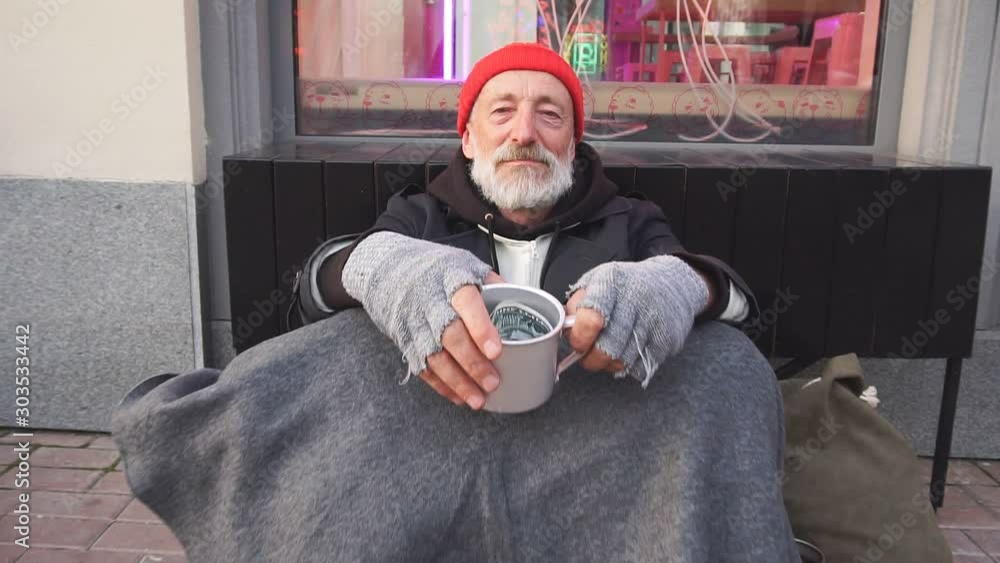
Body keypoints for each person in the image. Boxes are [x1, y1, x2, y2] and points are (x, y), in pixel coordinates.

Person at [112, 43, 800, 563]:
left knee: (729, 364)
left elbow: (732, 301)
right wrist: (381, 264)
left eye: (549, 114)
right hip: (416, 467)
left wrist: (681, 285)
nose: (525, 131)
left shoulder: (627, 218)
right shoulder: (421, 211)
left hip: (594, 469)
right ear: (470, 139)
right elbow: (315, 293)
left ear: (572, 142)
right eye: (502, 112)